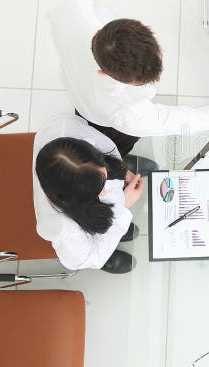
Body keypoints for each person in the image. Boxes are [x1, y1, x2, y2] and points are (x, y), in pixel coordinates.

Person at [48, 0, 209, 166]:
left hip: (77, 89)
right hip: (104, 123)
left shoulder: (76, 7)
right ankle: (114, 165)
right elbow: (194, 120)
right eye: (140, 83)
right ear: (104, 73)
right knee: (110, 152)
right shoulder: (127, 114)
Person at [33, 114, 143, 274]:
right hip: (91, 242)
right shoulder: (65, 230)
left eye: (101, 169)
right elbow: (90, 257)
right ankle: (109, 249)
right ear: (75, 200)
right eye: (99, 189)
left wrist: (121, 171)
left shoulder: (64, 128)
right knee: (103, 243)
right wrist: (122, 209)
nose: (105, 190)